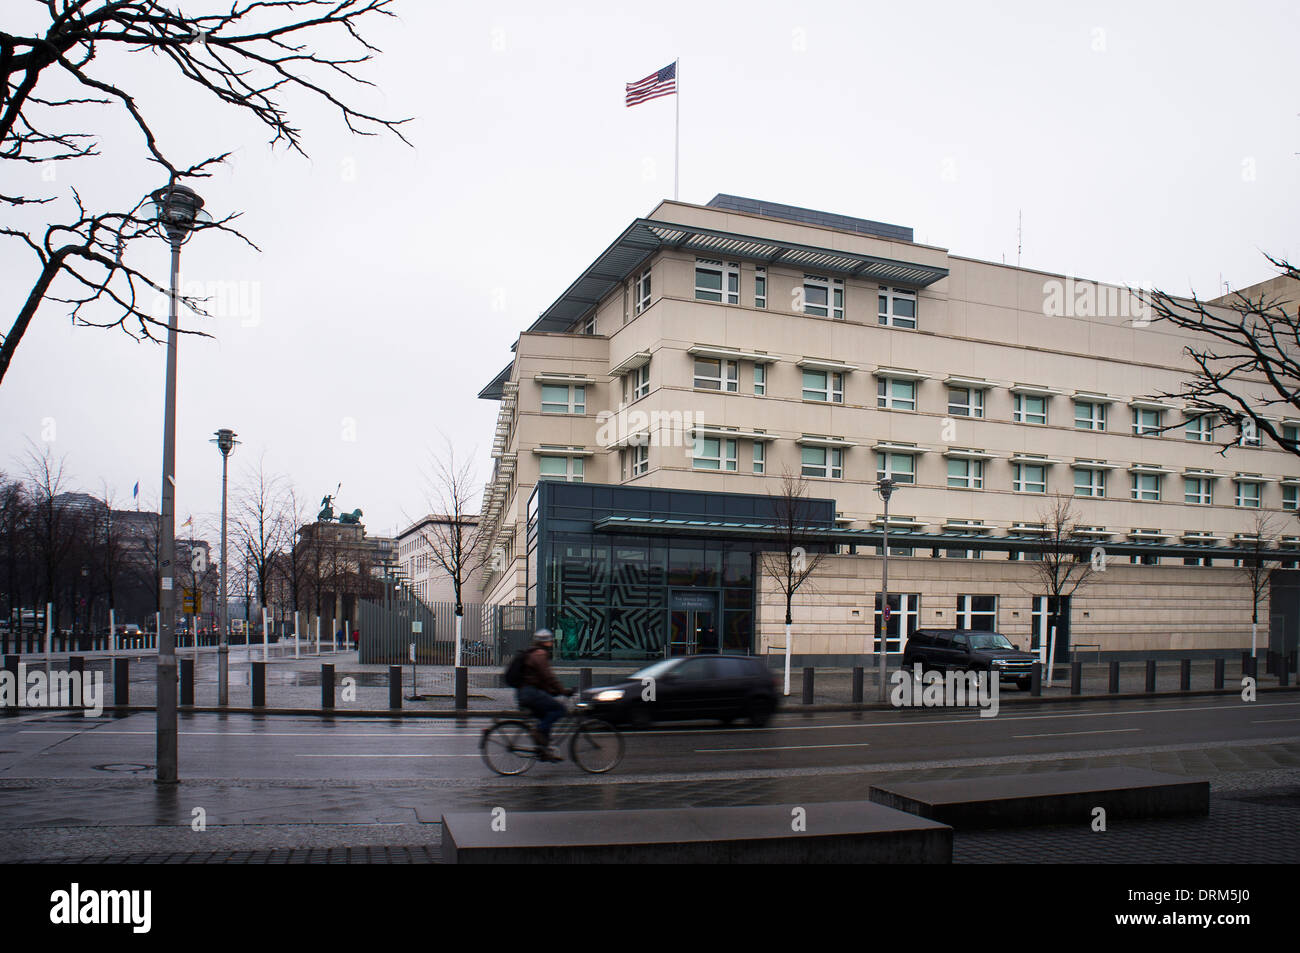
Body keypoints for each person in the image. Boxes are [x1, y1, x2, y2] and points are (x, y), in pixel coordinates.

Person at [516, 629, 573, 761]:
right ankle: (539, 733)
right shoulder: (540, 654)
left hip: (526, 693)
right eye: (550, 640)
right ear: (545, 642)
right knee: (559, 709)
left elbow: (540, 679)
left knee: (546, 715)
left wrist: (554, 692)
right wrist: (563, 691)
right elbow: (548, 677)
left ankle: (544, 750)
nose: (551, 643)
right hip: (530, 693)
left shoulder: (533, 652)